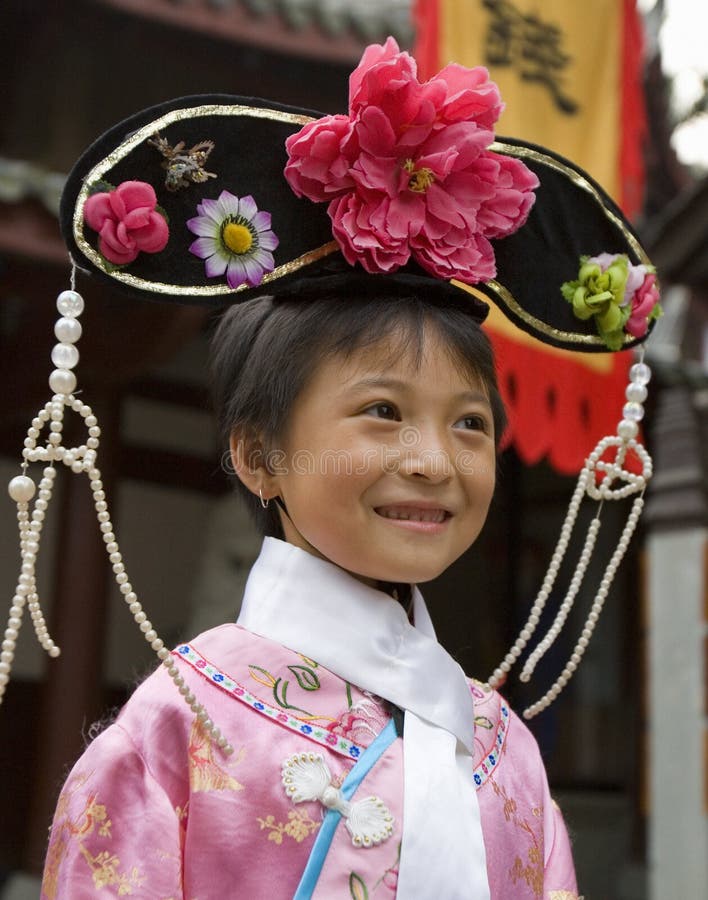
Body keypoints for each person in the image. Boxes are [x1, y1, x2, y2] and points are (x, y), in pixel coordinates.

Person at [9, 37, 658, 900]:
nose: (433, 461)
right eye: (383, 412)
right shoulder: (179, 726)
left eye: (468, 424)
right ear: (259, 454)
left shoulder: (505, 748)